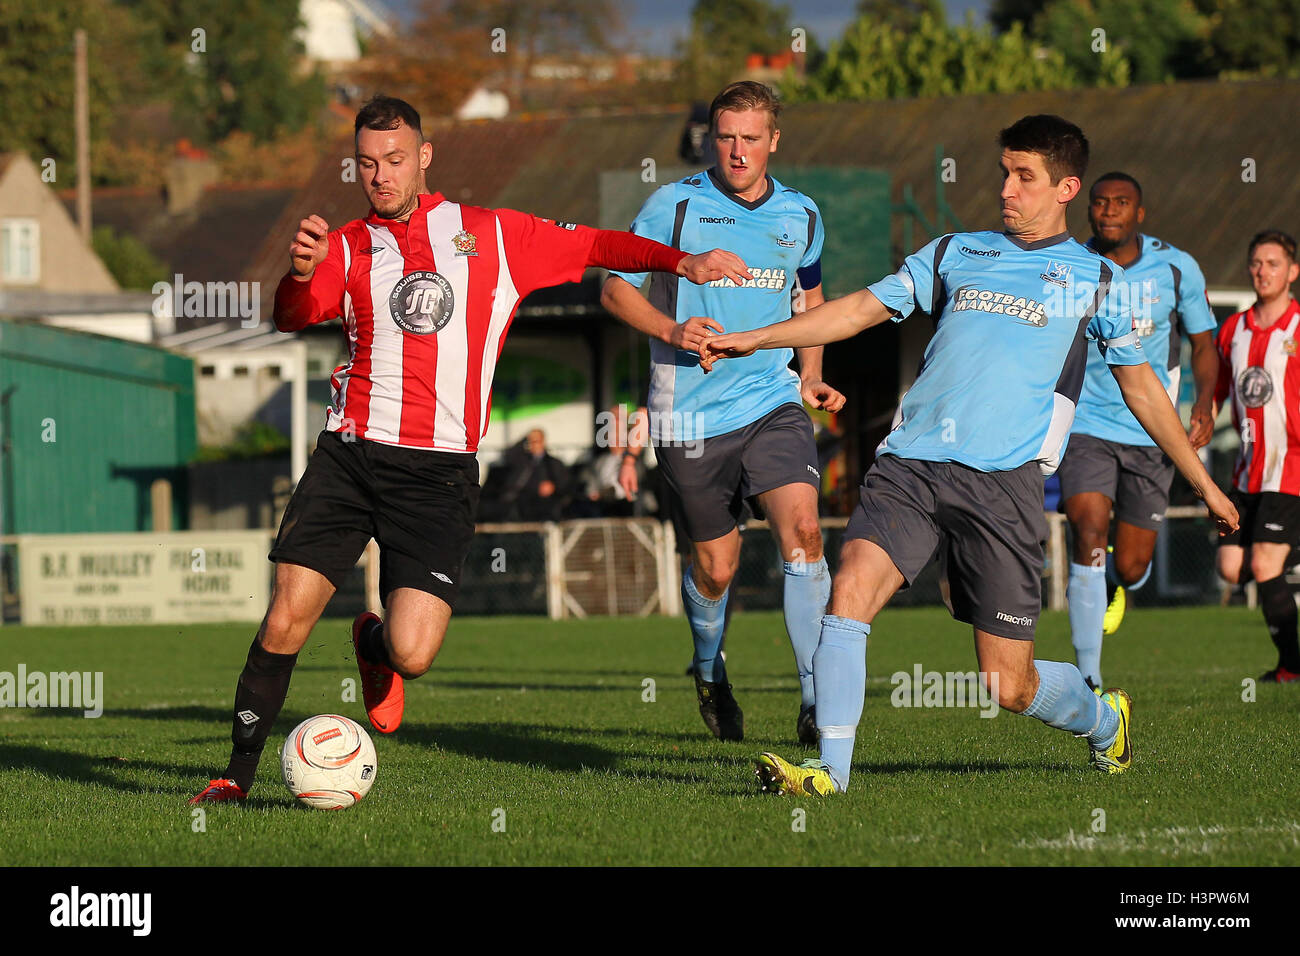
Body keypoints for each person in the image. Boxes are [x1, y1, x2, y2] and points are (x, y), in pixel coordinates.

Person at [190, 95, 750, 803]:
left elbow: (598, 246)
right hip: (350, 455)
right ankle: (233, 778)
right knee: (284, 616)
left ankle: (373, 648)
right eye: (366, 164)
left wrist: (683, 262)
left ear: (425, 157)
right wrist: (301, 274)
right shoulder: (346, 245)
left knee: (413, 653)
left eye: (394, 160)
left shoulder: (494, 234)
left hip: (439, 473)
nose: (380, 176)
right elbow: (291, 317)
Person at [700, 114, 1238, 795]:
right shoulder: (955, 250)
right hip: (911, 467)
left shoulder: (1094, 278)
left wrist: (1207, 488)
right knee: (849, 593)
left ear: (1066, 187)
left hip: (1001, 488)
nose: (1007, 190)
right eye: (1004, 174)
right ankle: (828, 774)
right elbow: (860, 309)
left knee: (1006, 685)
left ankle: (1104, 723)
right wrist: (759, 337)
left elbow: (1146, 394)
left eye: (1025, 178)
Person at [601, 81, 845, 745]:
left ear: (774, 141)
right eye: (726, 137)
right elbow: (613, 288)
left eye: (751, 138)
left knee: (805, 538)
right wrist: (674, 331)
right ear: (712, 138)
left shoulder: (801, 214)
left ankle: (816, 700)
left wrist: (812, 376)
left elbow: (814, 303)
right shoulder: (673, 205)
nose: (738, 152)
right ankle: (709, 670)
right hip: (689, 417)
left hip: (770, 400)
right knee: (717, 568)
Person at [1057, 172, 1219, 690]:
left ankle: (1117, 582)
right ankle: (1089, 679)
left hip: (1152, 429)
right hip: (1085, 422)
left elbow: (1203, 343)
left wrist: (1205, 406)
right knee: (1087, 526)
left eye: (1121, 204)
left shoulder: (1177, 267)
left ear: (1139, 214)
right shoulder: (1071, 265)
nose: (1108, 212)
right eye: (1100, 203)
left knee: (1130, 563)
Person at [1214, 230, 1300, 684]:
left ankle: (1291, 667)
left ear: (1292, 272)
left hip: (1291, 470)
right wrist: (1200, 420)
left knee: (1266, 562)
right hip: (1247, 473)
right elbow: (1219, 388)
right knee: (1232, 568)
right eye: (1256, 263)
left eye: (1273, 263)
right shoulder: (1234, 330)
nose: (1263, 271)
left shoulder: (1299, 327)